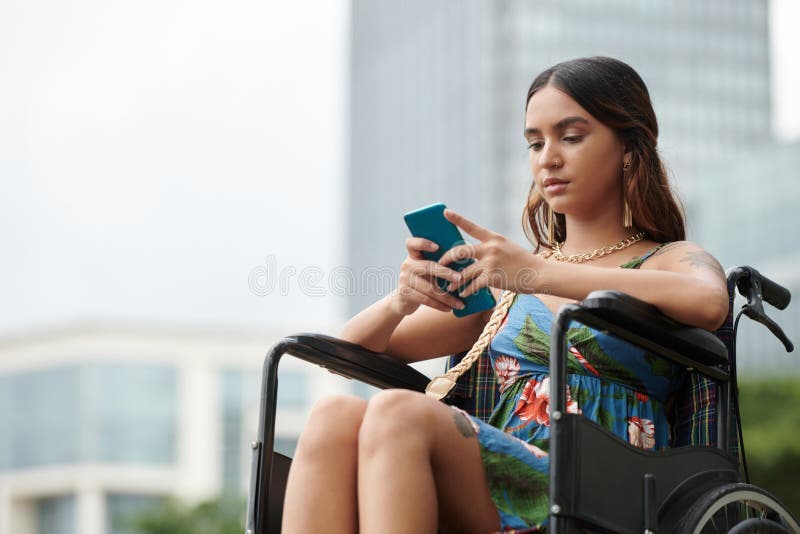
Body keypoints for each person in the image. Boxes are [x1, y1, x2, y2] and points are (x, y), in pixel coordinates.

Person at [280, 56, 729, 533]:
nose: (547, 158)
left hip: (609, 488)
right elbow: (348, 353)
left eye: (571, 137)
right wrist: (401, 301)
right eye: (535, 143)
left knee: (397, 411)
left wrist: (540, 272)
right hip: (494, 480)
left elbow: (708, 302)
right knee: (333, 414)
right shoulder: (508, 280)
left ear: (627, 146)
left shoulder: (667, 259)